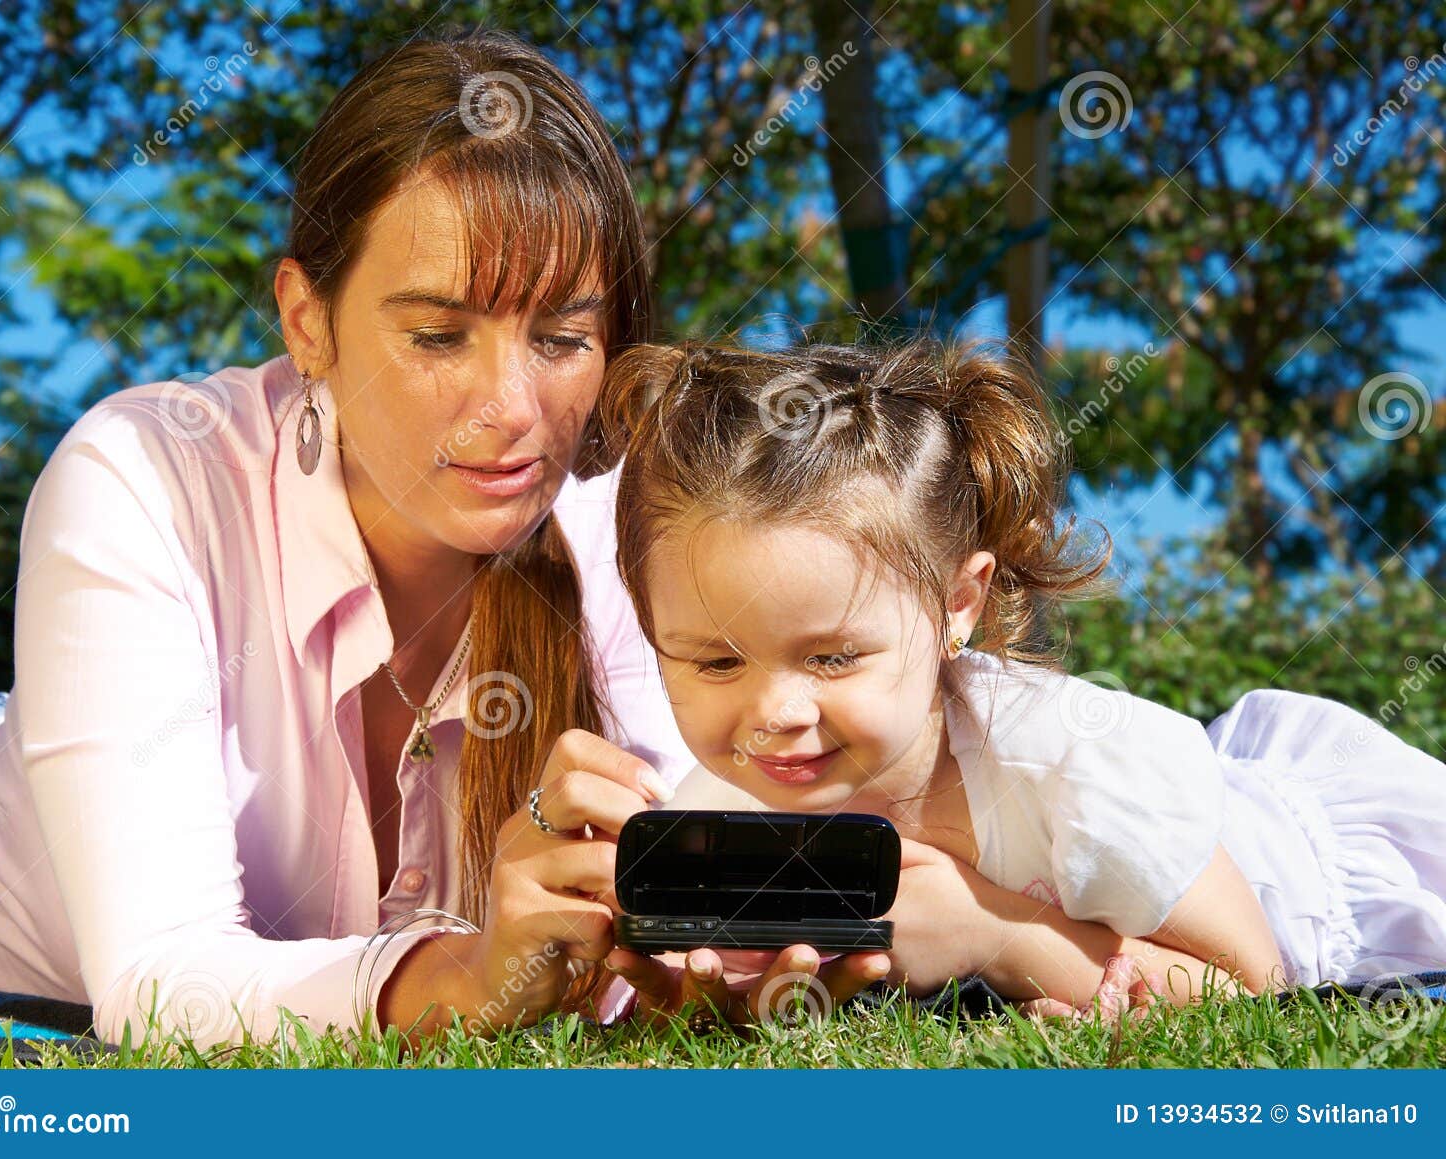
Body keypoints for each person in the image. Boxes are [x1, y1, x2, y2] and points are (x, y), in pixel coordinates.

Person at [0, 31, 890, 1052]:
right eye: (438, 335)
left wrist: (719, 967)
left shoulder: (627, 522)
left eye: (562, 337)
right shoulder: (144, 475)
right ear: (307, 321)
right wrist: (463, 977)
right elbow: (158, 987)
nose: (512, 408)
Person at [593, 338, 1446, 1016]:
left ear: (957, 604)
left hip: (1297, 882)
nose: (775, 710)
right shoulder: (717, 813)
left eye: (832, 657)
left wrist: (991, 934)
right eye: (716, 659)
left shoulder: (1074, 769)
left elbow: (1256, 988)